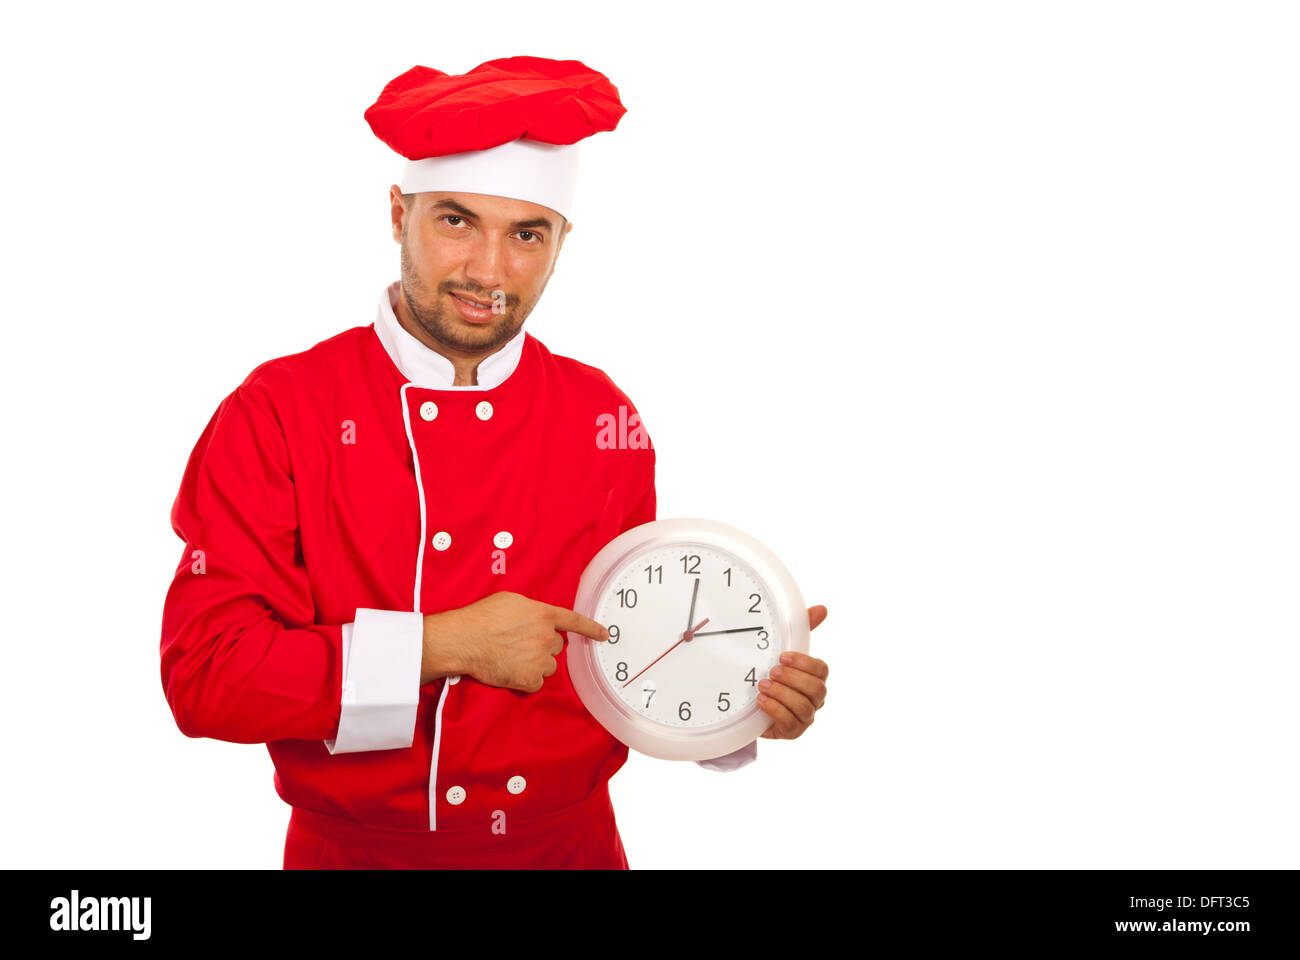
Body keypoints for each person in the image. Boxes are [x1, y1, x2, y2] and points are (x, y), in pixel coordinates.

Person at [160, 56, 830, 870]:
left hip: (570, 851)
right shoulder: (278, 409)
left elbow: (624, 651)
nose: (488, 271)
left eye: (525, 234)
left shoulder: (601, 414)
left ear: (561, 242)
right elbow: (206, 677)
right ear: (398, 211)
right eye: (455, 221)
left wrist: (742, 706)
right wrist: (443, 645)